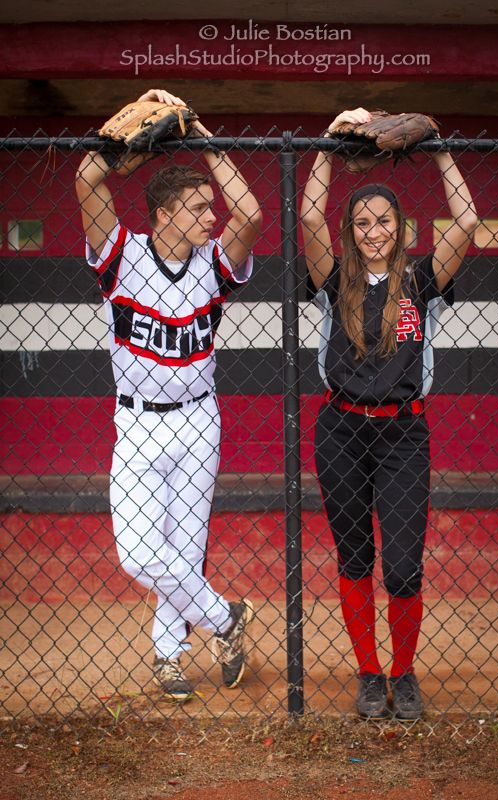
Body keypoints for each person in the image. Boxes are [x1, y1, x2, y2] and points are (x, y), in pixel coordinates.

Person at [76, 88, 262, 702]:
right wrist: (122, 144)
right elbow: (86, 183)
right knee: (138, 552)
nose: (211, 216)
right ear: (163, 214)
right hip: (138, 425)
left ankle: (168, 655)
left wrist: (205, 142)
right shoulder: (122, 254)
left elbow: (252, 213)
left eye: (209, 206)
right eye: (196, 208)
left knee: (184, 547)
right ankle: (225, 618)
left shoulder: (213, 263)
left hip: (198, 421)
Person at [300, 107, 478, 720]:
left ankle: (404, 673)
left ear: (401, 228)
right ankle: (369, 674)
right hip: (341, 430)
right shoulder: (333, 278)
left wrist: (438, 148)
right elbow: (306, 217)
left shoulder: (420, 280)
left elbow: (469, 221)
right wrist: (326, 146)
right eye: (362, 222)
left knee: (402, 565)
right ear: (351, 231)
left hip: (404, 434)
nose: (373, 231)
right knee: (354, 557)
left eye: (383, 221)